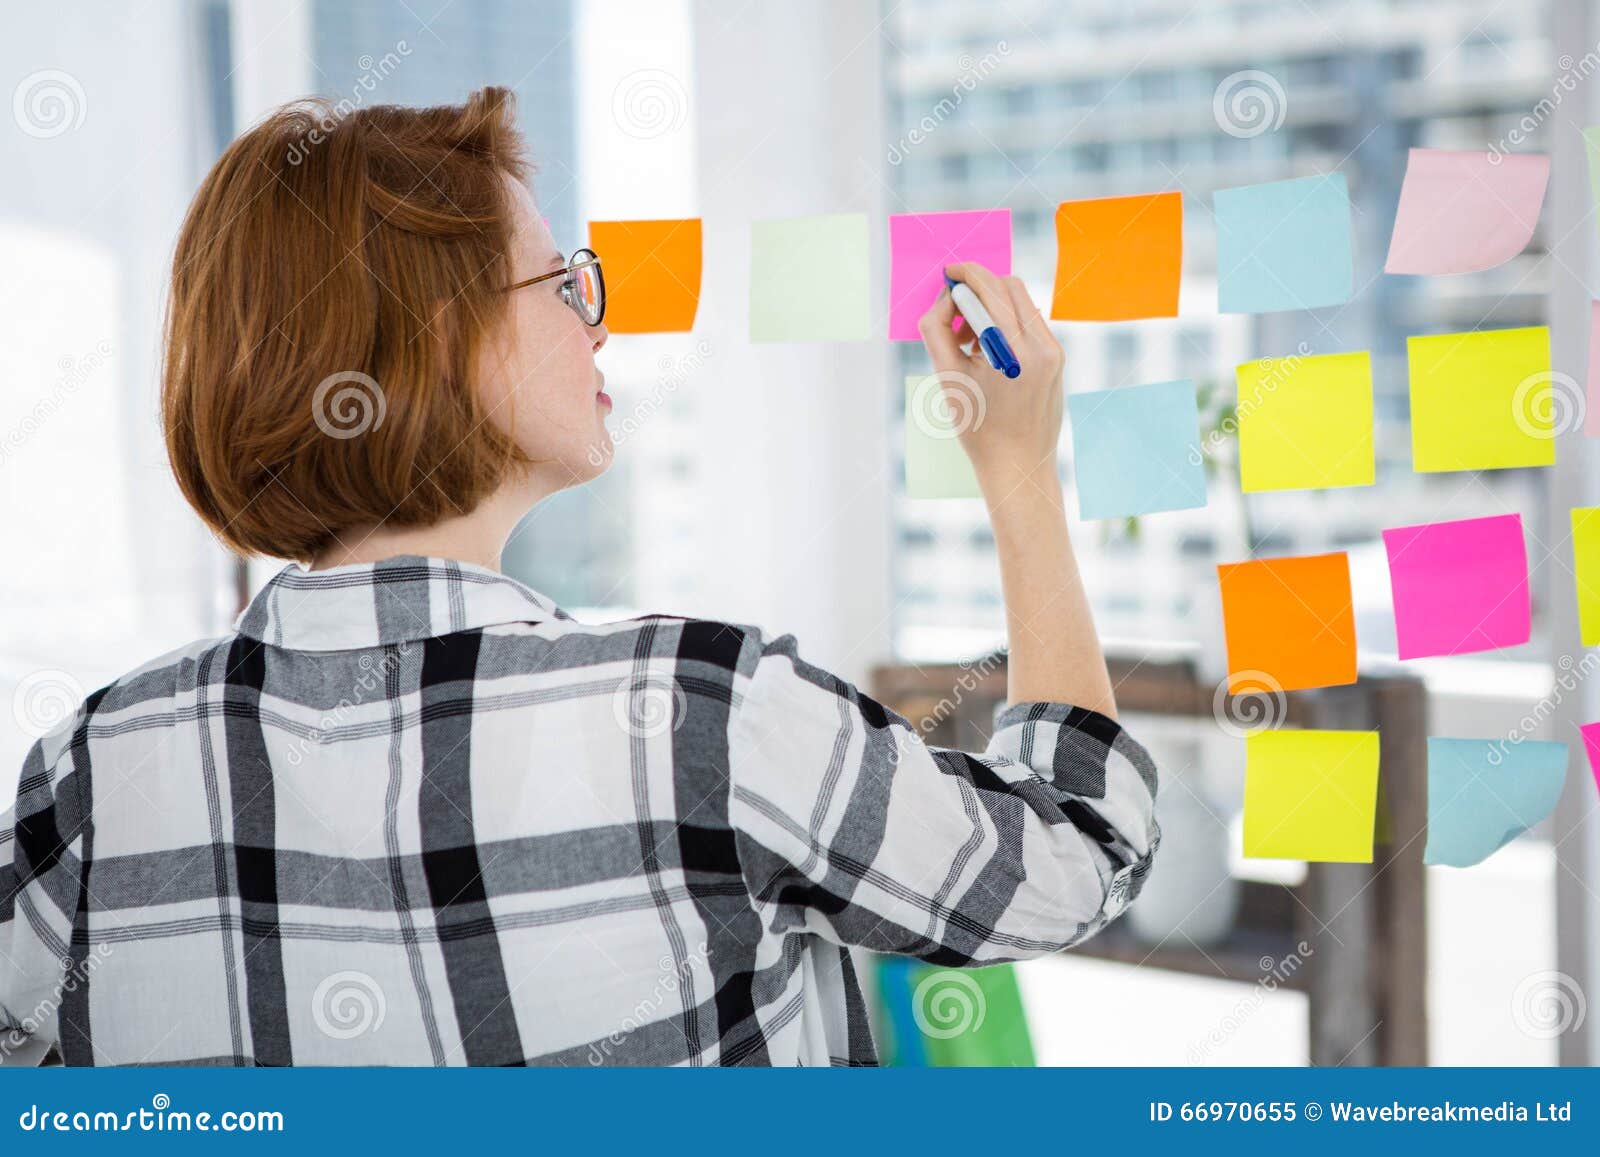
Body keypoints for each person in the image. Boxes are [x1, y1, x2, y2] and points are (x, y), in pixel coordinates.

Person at [0, 86, 1158, 1066]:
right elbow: (1076, 854)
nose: (595, 325)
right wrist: (1018, 473)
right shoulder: (707, 714)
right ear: (439, 338)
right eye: (562, 284)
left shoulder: (90, 771)